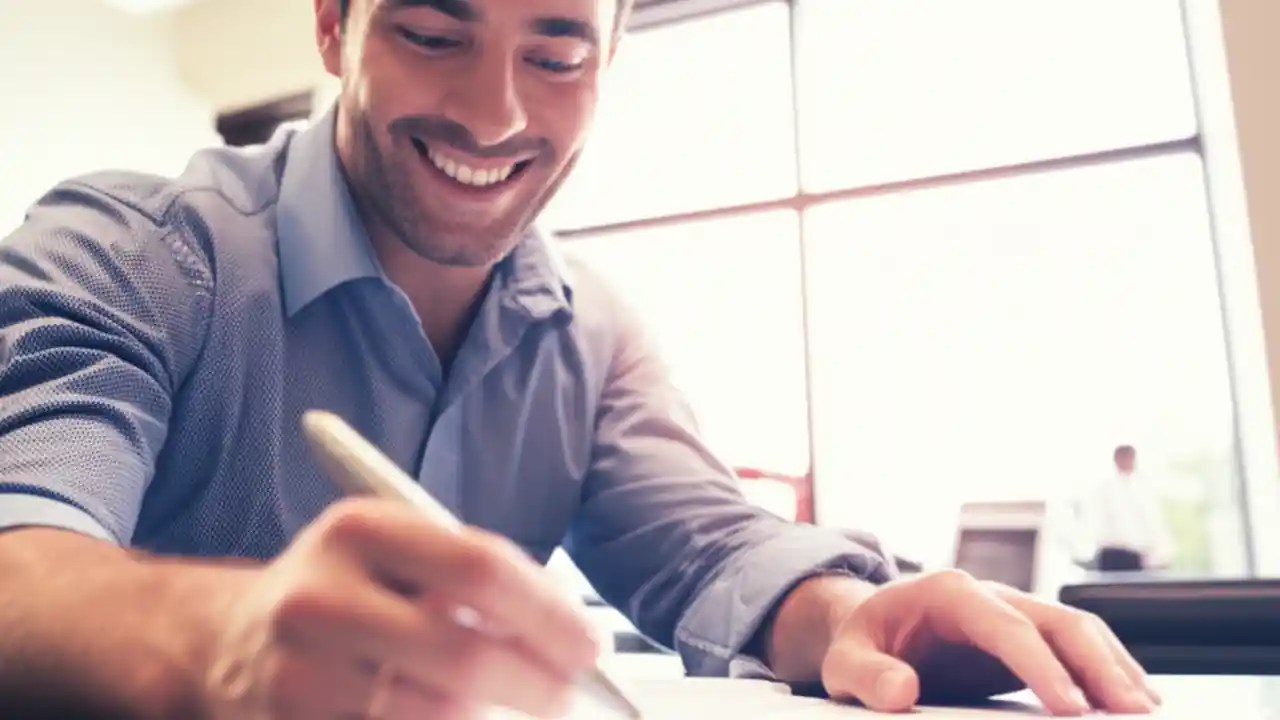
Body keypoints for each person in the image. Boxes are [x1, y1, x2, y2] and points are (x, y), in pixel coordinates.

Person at [0, 1, 1161, 718]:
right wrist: (219, 645)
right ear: (329, 24)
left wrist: (853, 617)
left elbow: (711, 551)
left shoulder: (591, 333)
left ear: (608, 64)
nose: (494, 113)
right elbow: (18, 565)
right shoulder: (128, 256)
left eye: (554, 53)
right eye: (432, 32)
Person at [1079, 446, 1176, 572]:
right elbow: (1095, 524)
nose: (1128, 461)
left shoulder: (1143, 487)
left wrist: (1160, 554)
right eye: (1124, 457)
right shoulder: (1105, 488)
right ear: (1116, 460)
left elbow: (1153, 523)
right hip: (1112, 553)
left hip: (1138, 555)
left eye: (1130, 458)